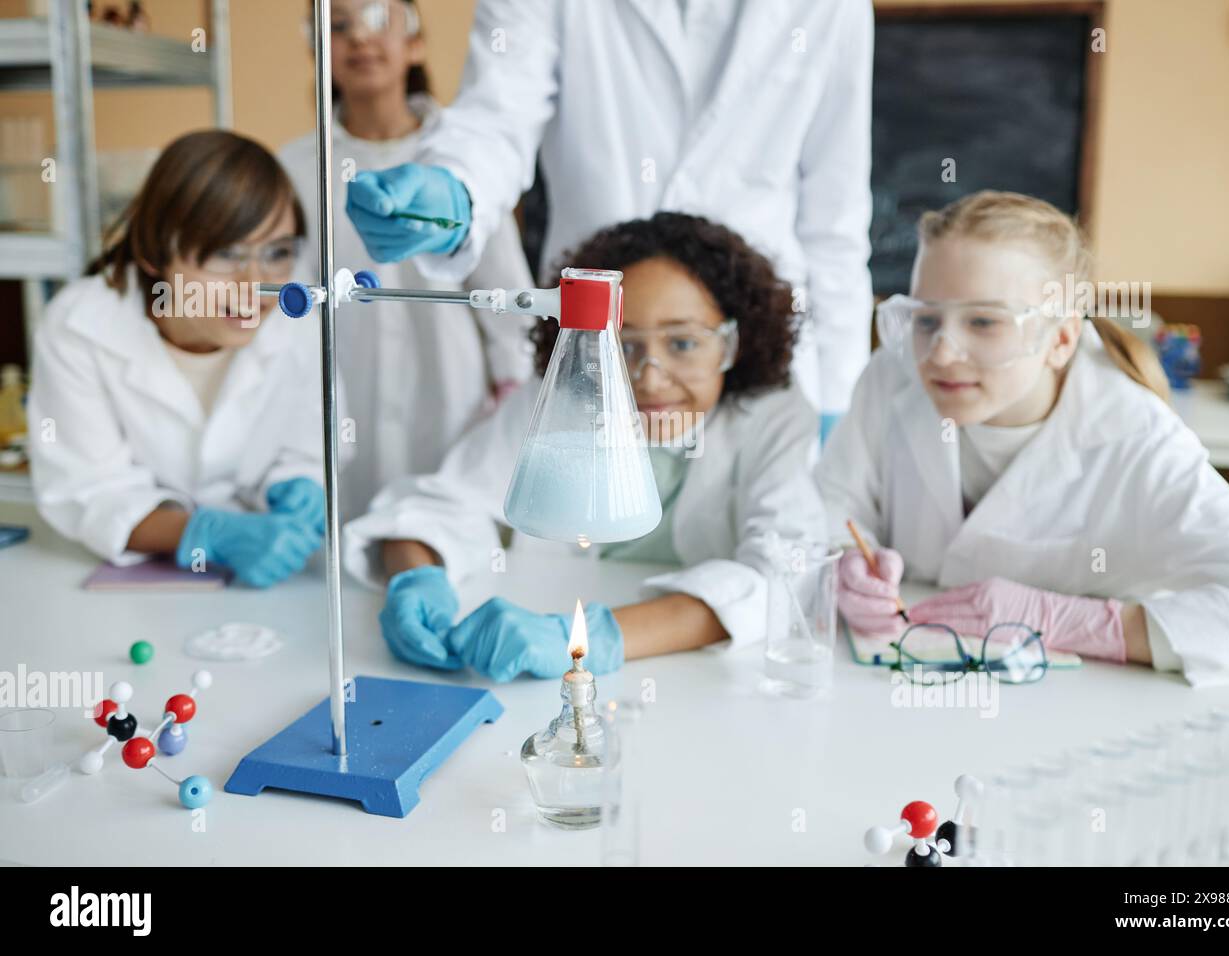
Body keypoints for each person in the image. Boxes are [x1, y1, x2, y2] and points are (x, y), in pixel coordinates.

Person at [816, 191, 1229, 686]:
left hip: (1077, 711)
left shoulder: (1138, 439)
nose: (940, 354)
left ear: (1061, 339)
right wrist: (844, 562)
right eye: (926, 319)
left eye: (984, 321)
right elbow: (829, 506)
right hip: (892, 692)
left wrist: (1085, 623)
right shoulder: (894, 374)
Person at [343, 0, 874, 440]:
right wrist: (456, 190)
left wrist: (838, 398)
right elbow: (497, 117)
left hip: (758, 358)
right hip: (594, 348)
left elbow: (836, 217)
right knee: (582, 546)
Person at [343, 212, 824, 680]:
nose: (651, 378)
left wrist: (593, 638)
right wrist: (415, 576)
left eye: (683, 344)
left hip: (693, 678)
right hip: (542, 680)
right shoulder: (556, 399)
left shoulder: (771, 416)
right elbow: (441, 503)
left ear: (733, 344)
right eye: (623, 344)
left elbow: (785, 571)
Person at [28, 130, 335, 587]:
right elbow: (88, 490)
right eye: (225, 254)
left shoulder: (297, 317)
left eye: (277, 253)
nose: (255, 285)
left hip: (278, 585)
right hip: (127, 589)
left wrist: (302, 484)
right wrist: (201, 532)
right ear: (156, 252)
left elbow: (310, 449)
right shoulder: (79, 326)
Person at [280, 0, 535, 520]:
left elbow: (507, 300)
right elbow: (291, 310)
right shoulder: (294, 167)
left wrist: (512, 398)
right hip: (343, 393)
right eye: (338, 26)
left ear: (415, 42)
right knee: (349, 543)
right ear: (315, 48)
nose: (359, 39)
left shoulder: (464, 164)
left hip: (454, 394)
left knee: (444, 524)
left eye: (379, 20)